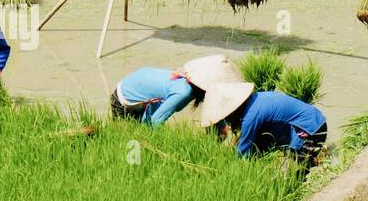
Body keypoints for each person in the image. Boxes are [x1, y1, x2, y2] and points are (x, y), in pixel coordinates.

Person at [197, 74, 328, 166]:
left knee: (294, 174)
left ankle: (316, 161)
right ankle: (319, 158)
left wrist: (226, 169)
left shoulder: (251, 116)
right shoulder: (256, 98)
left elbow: (243, 153)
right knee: (260, 144)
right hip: (313, 121)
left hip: (312, 129)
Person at [111, 54, 233, 127]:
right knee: (129, 146)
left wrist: (221, 125)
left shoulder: (186, 80)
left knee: (139, 137)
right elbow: (155, 121)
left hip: (138, 88)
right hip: (124, 99)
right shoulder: (184, 92)